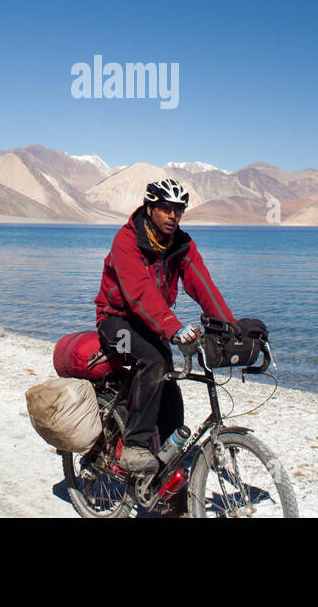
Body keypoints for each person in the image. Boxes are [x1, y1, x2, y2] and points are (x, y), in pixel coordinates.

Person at [95, 178, 236, 473]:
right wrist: (173, 327)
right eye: (165, 209)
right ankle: (134, 444)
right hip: (116, 321)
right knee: (155, 360)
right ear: (149, 209)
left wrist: (230, 327)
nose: (173, 216)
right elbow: (138, 293)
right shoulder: (127, 240)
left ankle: (169, 473)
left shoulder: (181, 244)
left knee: (170, 391)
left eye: (179, 210)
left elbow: (203, 285)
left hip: (152, 323)